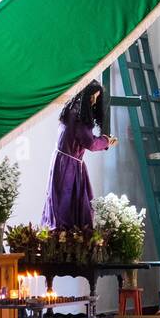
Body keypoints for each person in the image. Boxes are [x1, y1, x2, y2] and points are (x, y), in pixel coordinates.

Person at [41, 79, 117, 229]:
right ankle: (71, 245)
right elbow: (90, 143)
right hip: (69, 167)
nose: (94, 102)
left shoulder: (70, 107)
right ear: (87, 95)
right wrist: (106, 141)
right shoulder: (79, 115)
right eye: (93, 97)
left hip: (61, 161)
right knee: (68, 208)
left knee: (59, 203)